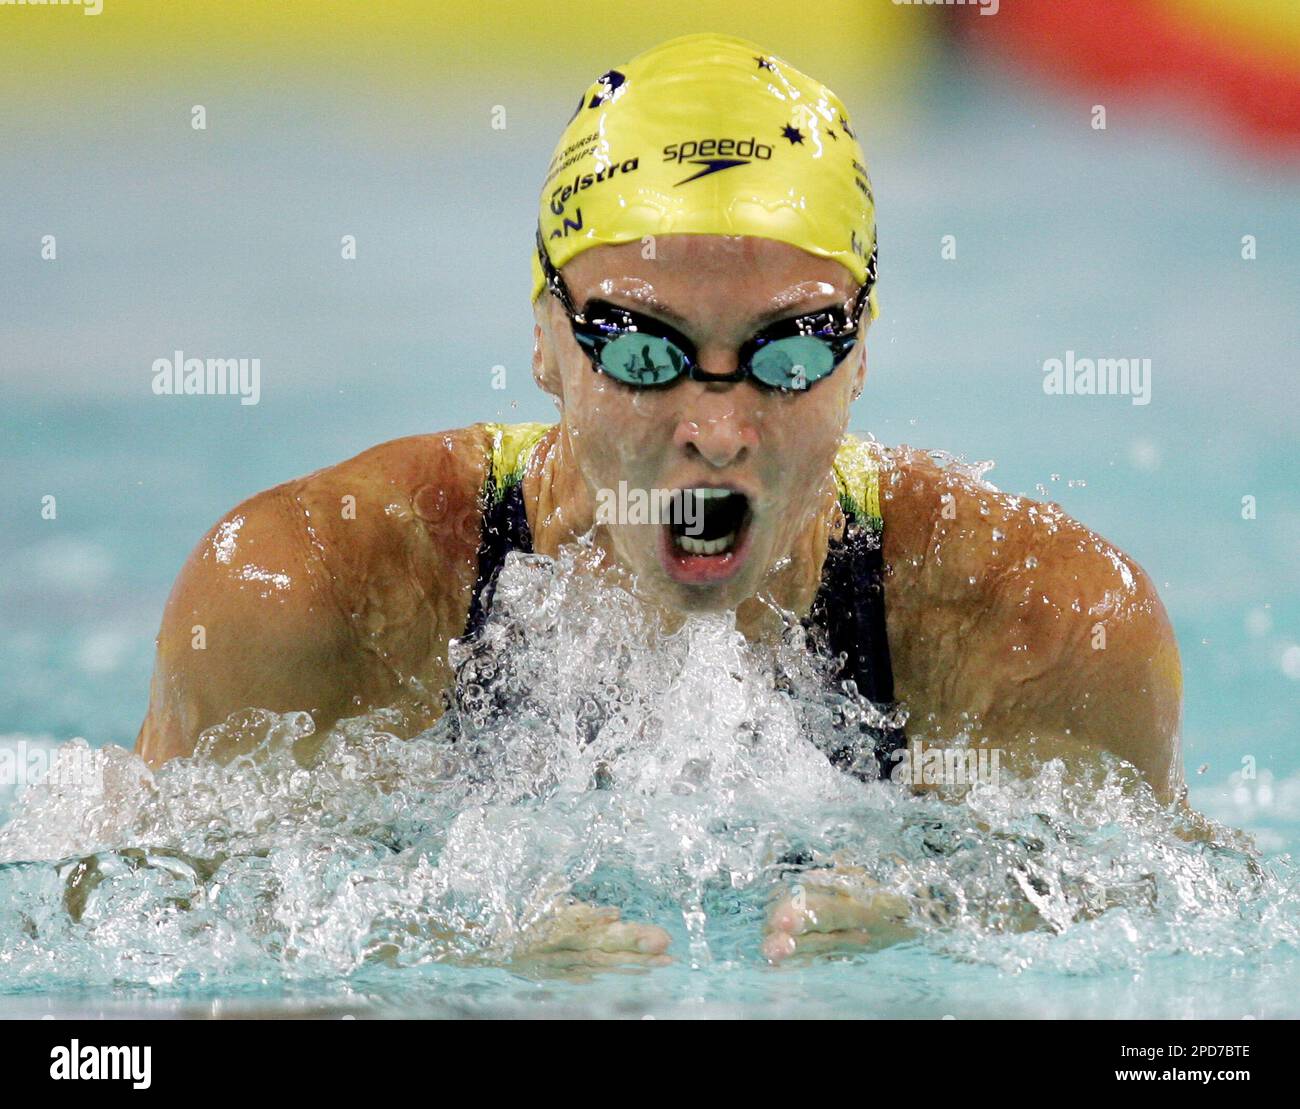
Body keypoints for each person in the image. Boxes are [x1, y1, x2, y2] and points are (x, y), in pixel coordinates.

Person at [133, 33, 1184, 966]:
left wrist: (954, 933)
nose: (718, 428)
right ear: (547, 339)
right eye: (642, 349)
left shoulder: (1044, 630)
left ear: (860, 351)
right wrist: (429, 952)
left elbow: (1178, 939)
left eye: (787, 351)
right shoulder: (313, 593)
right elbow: (137, 907)